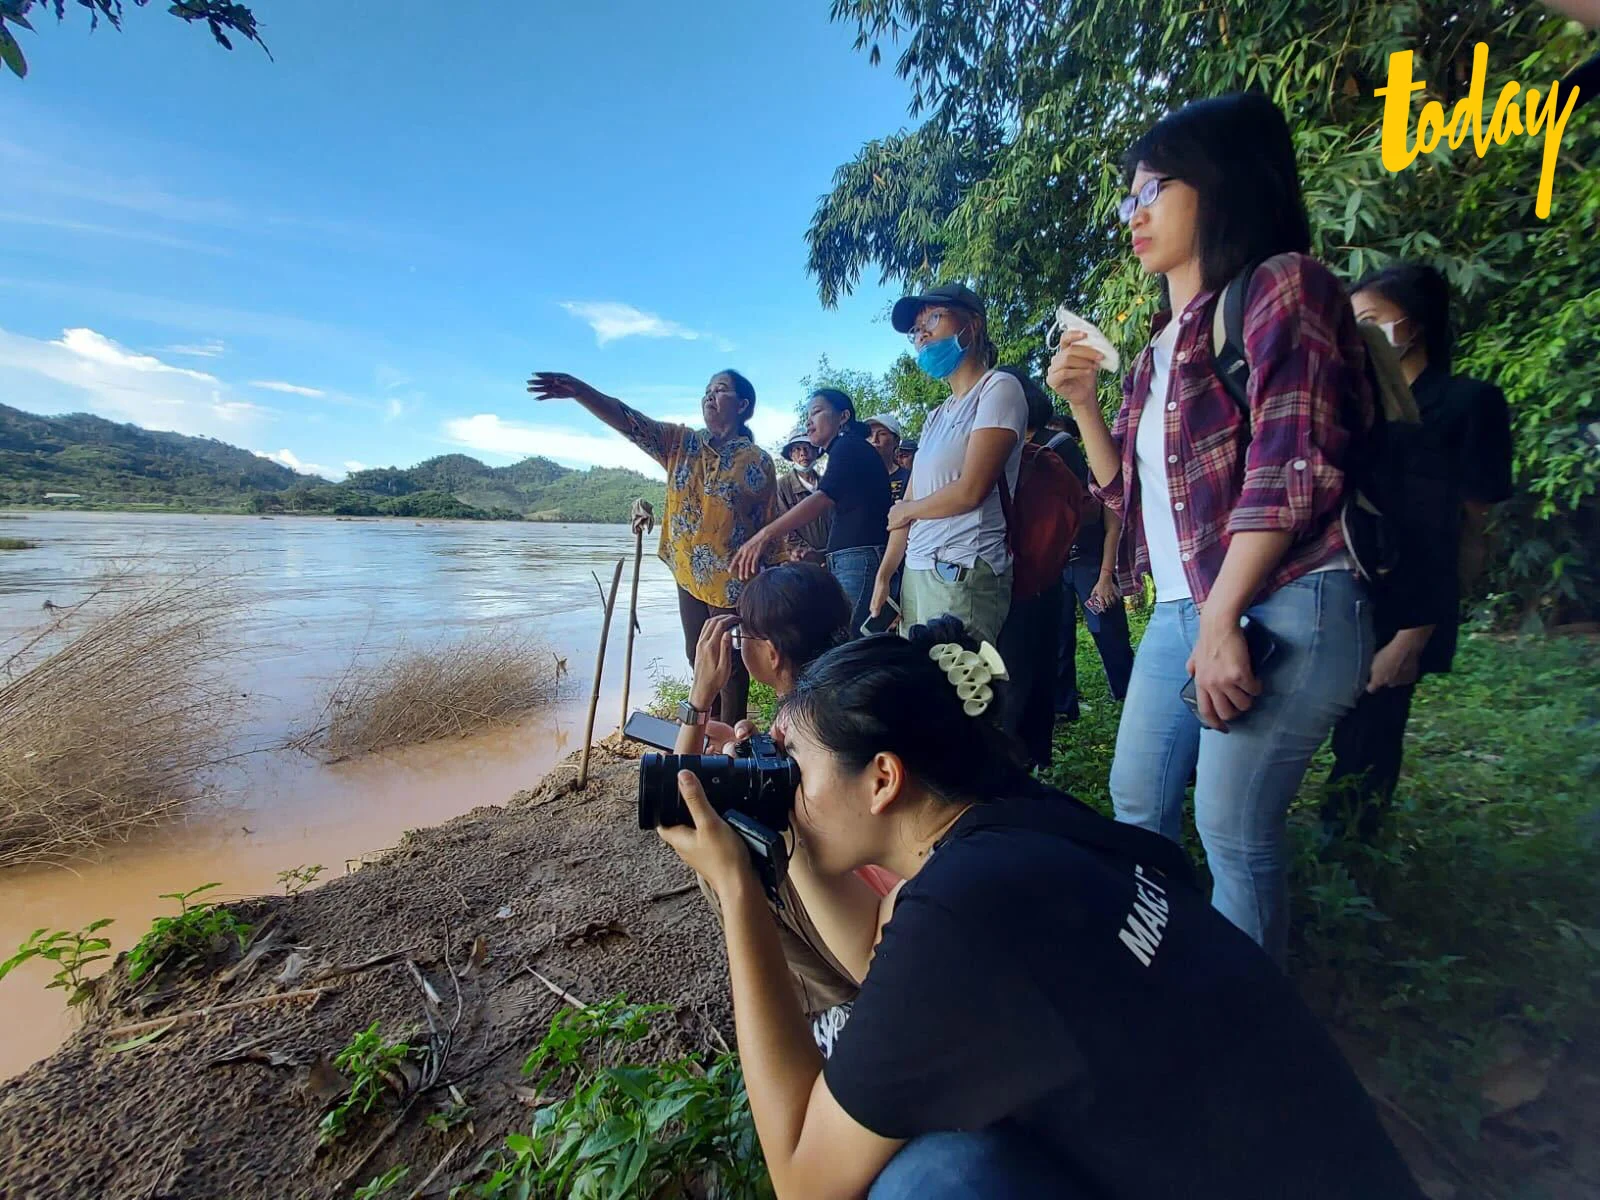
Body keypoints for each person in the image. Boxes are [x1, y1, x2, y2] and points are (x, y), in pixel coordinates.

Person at [656, 616, 1423, 1199]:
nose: (777, 780)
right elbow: (877, 964)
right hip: (1322, 1163)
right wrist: (779, 847)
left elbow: (803, 1178)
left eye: (789, 762)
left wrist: (736, 895)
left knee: (930, 1178)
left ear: (884, 778)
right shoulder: (1016, 828)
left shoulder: (960, 913)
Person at [1046, 92, 1373, 964]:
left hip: (1284, 597)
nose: (1135, 211)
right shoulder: (1156, 347)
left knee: (1232, 831)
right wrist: (1083, 405)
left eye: (1154, 185)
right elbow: (1132, 501)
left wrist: (1225, 617)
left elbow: (1292, 464)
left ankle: (1246, 1047)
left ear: (1220, 182)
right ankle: (1165, 983)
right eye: (1130, 195)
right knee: (1136, 802)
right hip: (1186, 610)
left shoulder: (1281, 285)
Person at [1322, 263, 1514, 839]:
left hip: (1413, 595)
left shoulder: (1468, 403)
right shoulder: (1352, 408)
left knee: (1370, 736)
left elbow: (1468, 528)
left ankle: (1349, 855)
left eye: (1371, 321)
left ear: (1416, 323)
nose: (1359, 335)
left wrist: (1417, 633)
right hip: (1344, 583)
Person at [673, 563, 881, 1017]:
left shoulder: (801, 728)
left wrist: (700, 697)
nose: (737, 647)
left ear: (769, 653)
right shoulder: (839, 694)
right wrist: (742, 746)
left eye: (741, 638)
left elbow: (674, 806)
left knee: (719, 849)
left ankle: (827, 999)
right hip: (883, 891)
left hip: (861, 927)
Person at [527, 369, 775, 724]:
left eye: (720, 390)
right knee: (696, 654)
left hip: (734, 581)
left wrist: (780, 568)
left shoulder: (758, 460)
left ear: (743, 405)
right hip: (688, 571)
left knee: (731, 665)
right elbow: (630, 422)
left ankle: (731, 744)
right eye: (706, 390)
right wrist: (581, 392)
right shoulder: (680, 443)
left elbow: (770, 521)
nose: (709, 395)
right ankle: (707, 729)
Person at [870, 283, 1027, 645]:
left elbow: (971, 490)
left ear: (972, 325)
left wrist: (909, 511)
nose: (921, 334)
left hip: (961, 570)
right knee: (925, 693)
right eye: (915, 331)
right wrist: (885, 575)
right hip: (918, 572)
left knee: (960, 691)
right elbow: (904, 507)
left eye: (933, 319)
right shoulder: (936, 416)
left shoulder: (998, 388)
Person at [734, 390, 891, 639]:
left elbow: (821, 498)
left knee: (849, 639)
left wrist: (764, 535)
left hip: (860, 559)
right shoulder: (844, 451)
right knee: (846, 636)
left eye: (816, 412)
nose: (809, 421)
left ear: (843, 416)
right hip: (848, 558)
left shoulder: (849, 448)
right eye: (807, 415)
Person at [991, 366, 1067, 770]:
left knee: (1014, 679)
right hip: (1040, 580)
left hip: (1017, 580)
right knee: (1026, 675)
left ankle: (1011, 770)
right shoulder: (1041, 456)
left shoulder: (1037, 456)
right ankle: (1028, 761)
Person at [1045, 412, 1135, 721]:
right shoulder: (1041, 484)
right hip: (1057, 567)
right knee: (1057, 634)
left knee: (1106, 628)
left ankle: (1128, 696)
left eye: (1060, 436)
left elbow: (1114, 526)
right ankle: (1063, 708)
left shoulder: (1096, 477)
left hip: (1090, 565)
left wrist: (1106, 576)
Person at [774, 425, 832, 566]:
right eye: (797, 449)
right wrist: (808, 553)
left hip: (831, 557)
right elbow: (784, 529)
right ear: (791, 455)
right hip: (799, 559)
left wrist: (828, 553)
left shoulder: (828, 482)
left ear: (816, 451)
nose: (803, 453)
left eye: (807, 447)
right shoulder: (781, 486)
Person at [865, 414, 912, 501]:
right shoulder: (858, 478)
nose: (874, 440)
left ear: (896, 441)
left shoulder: (909, 478)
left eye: (882, 434)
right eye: (870, 435)